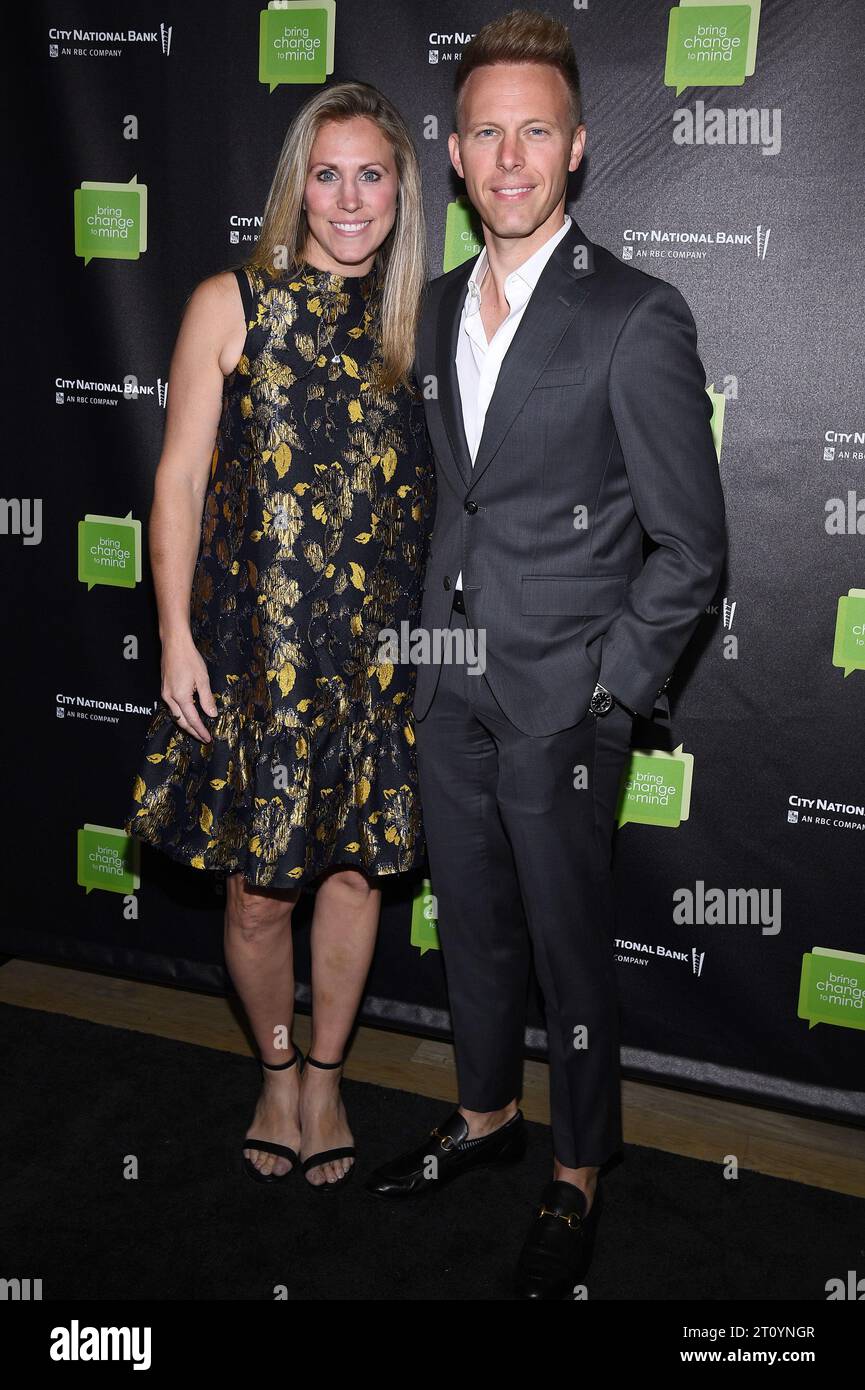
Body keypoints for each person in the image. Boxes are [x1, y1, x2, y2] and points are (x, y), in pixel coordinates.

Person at [365, 9, 727, 1298]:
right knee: (470, 925)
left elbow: (691, 548)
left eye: (534, 132)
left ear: (574, 150)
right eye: (484, 133)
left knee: (571, 946)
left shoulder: (636, 314)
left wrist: (605, 694)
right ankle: (481, 1116)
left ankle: (576, 1170)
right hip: (447, 686)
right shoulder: (434, 306)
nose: (508, 158)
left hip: (563, 706)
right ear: (453, 157)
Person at [124, 81, 434, 1191]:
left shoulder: (421, 327)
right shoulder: (232, 303)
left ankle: (329, 1077)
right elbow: (178, 482)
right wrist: (173, 636)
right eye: (327, 172)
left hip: (374, 671)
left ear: (401, 191)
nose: (348, 199)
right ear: (296, 183)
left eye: (372, 174)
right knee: (259, 893)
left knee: (351, 881)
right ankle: (275, 1064)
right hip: (255, 663)